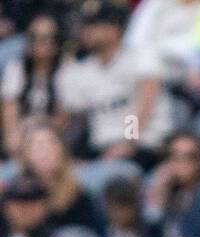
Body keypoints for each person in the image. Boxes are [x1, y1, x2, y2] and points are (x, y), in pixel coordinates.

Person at [56, 0, 175, 166]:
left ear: (115, 29)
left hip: (143, 146)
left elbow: (141, 108)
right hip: (102, 148)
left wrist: (127, 142)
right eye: (85, 26)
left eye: (94, 25)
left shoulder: (139, 57)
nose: (86, 31)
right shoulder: (82, 69)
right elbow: (71, 117)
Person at [0, 8, 69, 159]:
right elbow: (9, 112)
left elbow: (64, 118)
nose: (46, 43)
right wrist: (15, 143)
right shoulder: (17, 68)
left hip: (55, 140)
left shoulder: (66, 70)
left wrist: (40, 130)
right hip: (21, 141)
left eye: (51, 38)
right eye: (38, 38)